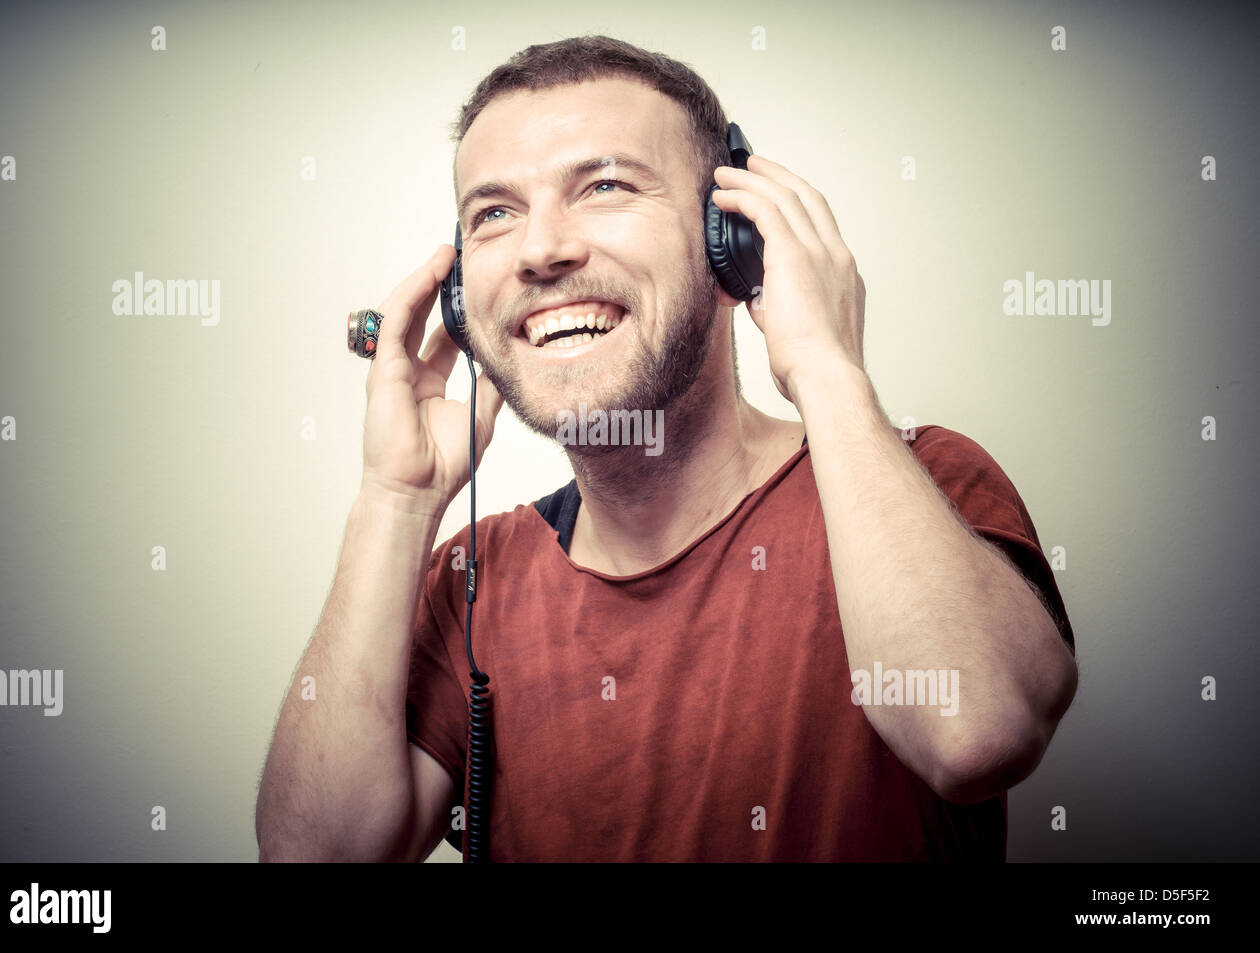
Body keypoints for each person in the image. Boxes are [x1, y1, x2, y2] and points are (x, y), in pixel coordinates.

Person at [255, 35, 1078, 863]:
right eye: (495, 213)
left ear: (733, 242)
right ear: (464, 299)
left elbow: (979, 731)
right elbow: (313, 857)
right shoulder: (472, 578)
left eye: (605, 186)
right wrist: (396, 500)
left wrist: (826, 366)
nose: (540, 251)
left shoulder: (922, 481)